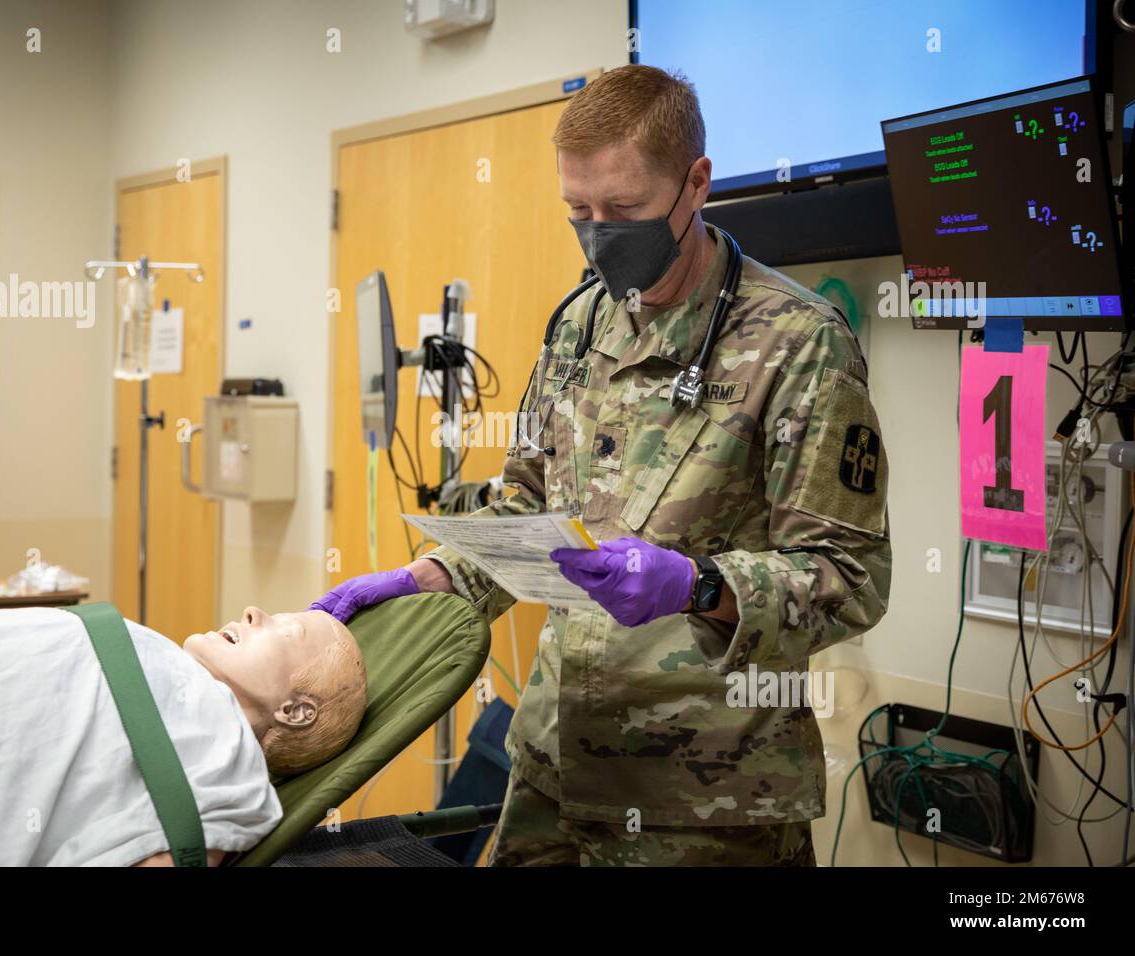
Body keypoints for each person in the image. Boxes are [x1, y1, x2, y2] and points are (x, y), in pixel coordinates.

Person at [312, 64, 891, 866]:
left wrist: (698, 585)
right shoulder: (577, 326)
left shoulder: (800, 343)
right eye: (578, 212)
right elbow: (525, 502)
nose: (599, 233)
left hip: (706, 805)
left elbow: (849, 579)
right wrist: (437, 575)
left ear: (696, 184)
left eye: (624, 210)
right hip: (555, 769)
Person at [0, 605, 365, 866]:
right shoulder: (157, 666)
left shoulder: (232, 770)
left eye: (285, 630)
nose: (254, 610)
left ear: (296, 711)